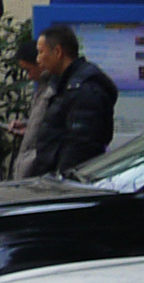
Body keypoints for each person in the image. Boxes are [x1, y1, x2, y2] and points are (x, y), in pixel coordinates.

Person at [26, 23, 120, 177]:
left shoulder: (84, 88)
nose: (38, 59)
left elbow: (82, 145)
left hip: (66, 183)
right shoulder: (62, 83)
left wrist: (63, 181)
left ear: (58, 52)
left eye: (41, 52)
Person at [8, 33, 56, 181]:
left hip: (40, 169)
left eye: (29, 70)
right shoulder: (43, 86)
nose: (29, 76)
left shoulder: (54, 87)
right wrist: (28, 127)